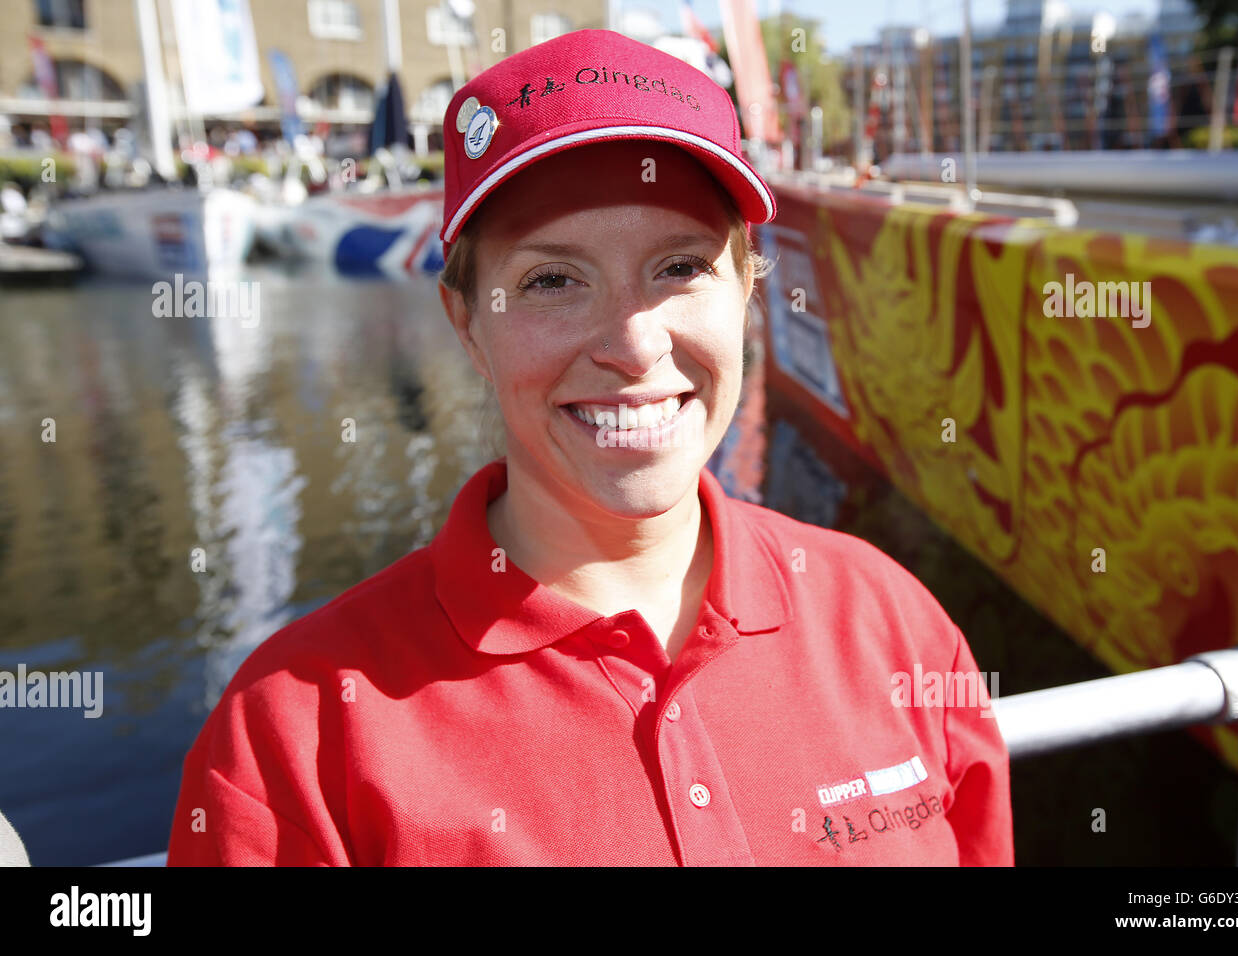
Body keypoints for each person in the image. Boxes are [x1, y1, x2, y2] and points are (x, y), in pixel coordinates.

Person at [167, 28, 1012, 866]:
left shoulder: (893, 623)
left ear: (750, 290)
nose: (634, 346)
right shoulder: (296, 738)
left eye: (680, 266)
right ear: (467, 324)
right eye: (553, 281)